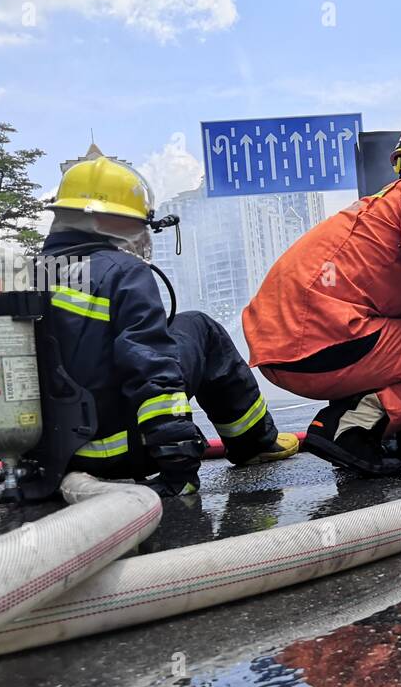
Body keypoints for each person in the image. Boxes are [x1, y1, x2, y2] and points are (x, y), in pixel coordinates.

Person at [242, 110, 401, 477]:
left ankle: (361, 427)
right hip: (324, 340)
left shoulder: (389, 204)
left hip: (292, 347)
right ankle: (354, 424)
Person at [41, 148, 297, 497]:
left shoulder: (33, 275)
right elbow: (151, 368)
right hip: (120, 453)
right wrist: (178, 462)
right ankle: (254, 443)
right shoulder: (123, 273)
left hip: (56, 459)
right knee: (200, 327)